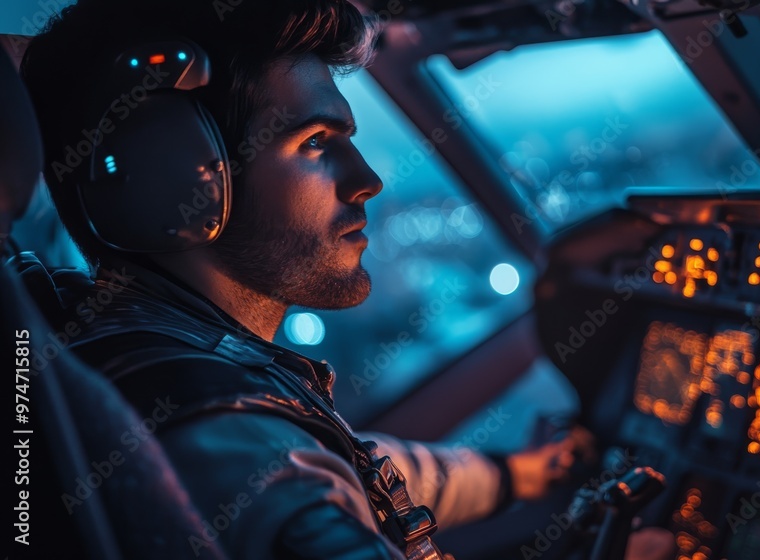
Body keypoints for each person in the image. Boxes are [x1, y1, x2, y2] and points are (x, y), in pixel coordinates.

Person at [18, 1, 672, 558]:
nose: (367, 181)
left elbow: (364, 465)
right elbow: (286, 469)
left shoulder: (129, 347)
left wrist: (524, 475)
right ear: (168, 176)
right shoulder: (241, 452)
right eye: (315, 142)